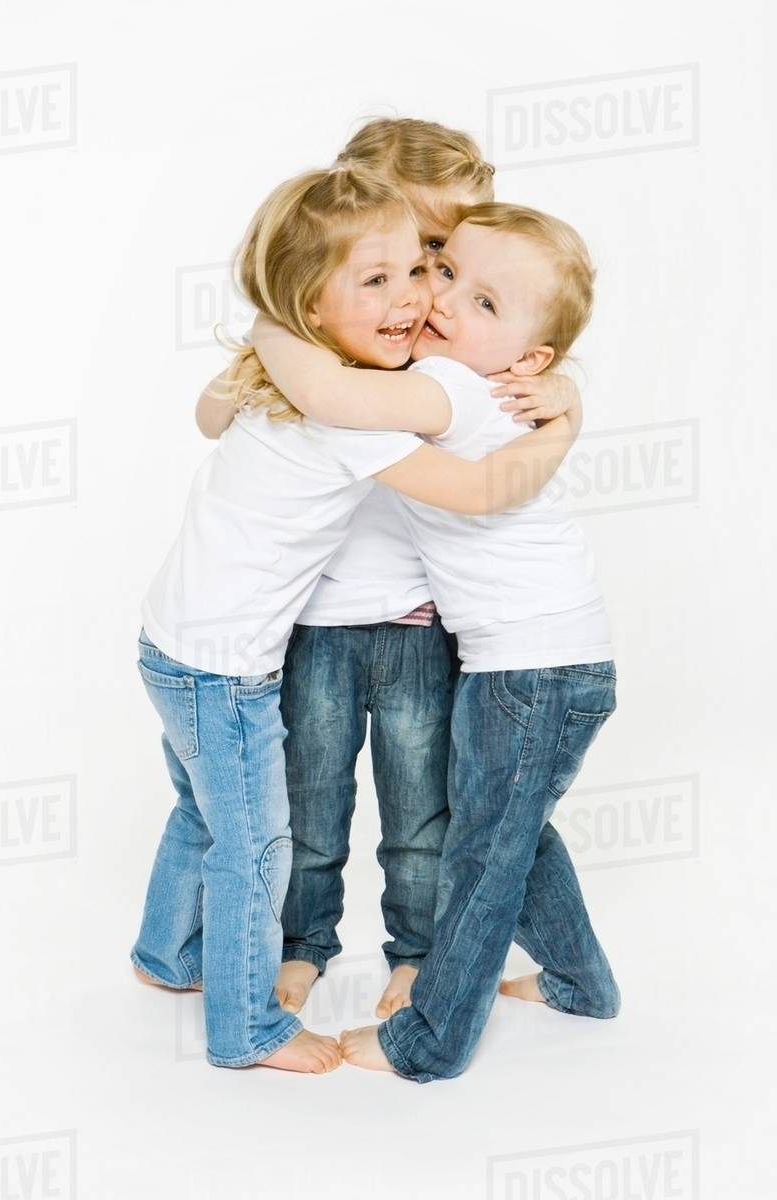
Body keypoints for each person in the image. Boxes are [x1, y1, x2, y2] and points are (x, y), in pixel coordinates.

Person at [131, 165, 580, 1074]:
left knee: (203, 812)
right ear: (313, 297)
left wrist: (273, 333)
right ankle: (242, 1028)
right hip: (229, 664)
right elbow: (475, 488)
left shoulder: (309, 370)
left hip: (173, 642)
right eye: (386, 278)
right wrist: (557, 437)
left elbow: (226, 400)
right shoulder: (345, 402)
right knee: (258, 838)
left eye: (427, 271)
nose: (418, 300)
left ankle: (168, 957)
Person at [252, 200, 620, 1081]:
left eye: (485, 303)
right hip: (554, 665)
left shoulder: (457, 386)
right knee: (516, 835)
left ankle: (432, 1039)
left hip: (528, 674)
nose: (446, 302)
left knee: (483, 854)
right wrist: (567, 405)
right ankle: (580, 981)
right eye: (446, 272)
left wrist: (269, 326)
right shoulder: (490, 381)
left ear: (531, 359)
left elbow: (333, 392)